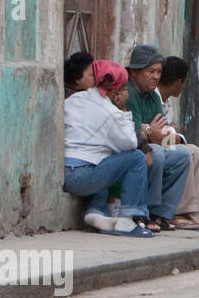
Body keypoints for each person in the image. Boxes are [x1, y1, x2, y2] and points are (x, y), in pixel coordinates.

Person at [63, 60, 156, 238]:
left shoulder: (74, 99)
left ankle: (96, 211)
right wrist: (122, 110)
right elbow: (130, 142)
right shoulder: (110, 112)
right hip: (83, 178)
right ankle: (127, 219)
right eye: (122, 88)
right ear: (115, 90)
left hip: (66, 173)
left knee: (102, 157)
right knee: (135, 158)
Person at [125, 45, 192, 231]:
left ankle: (163, 213)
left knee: (182, 154)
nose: (156, 76)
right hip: (130, 148)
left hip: (150, 143)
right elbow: (136, 133)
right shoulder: (128, 93)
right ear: (136, 72)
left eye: (158, 72)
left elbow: (162, 134)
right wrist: (149, 132)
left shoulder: (153, 97)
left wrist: (168, 136)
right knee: (157, 153)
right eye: (151, 71)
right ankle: (147, 211)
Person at [155, 55, 199, 227]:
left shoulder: (167, 102)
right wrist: (174, 134)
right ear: (178, 81)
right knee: (186, 151)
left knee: (194, 151)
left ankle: (186, 210)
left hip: (164, 143)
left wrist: (173, 134)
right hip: (156, 145)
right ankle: (176, 211)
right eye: (183, 82)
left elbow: (169, 131)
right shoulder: (154, 97)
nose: (183, 87)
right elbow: (166, 133)